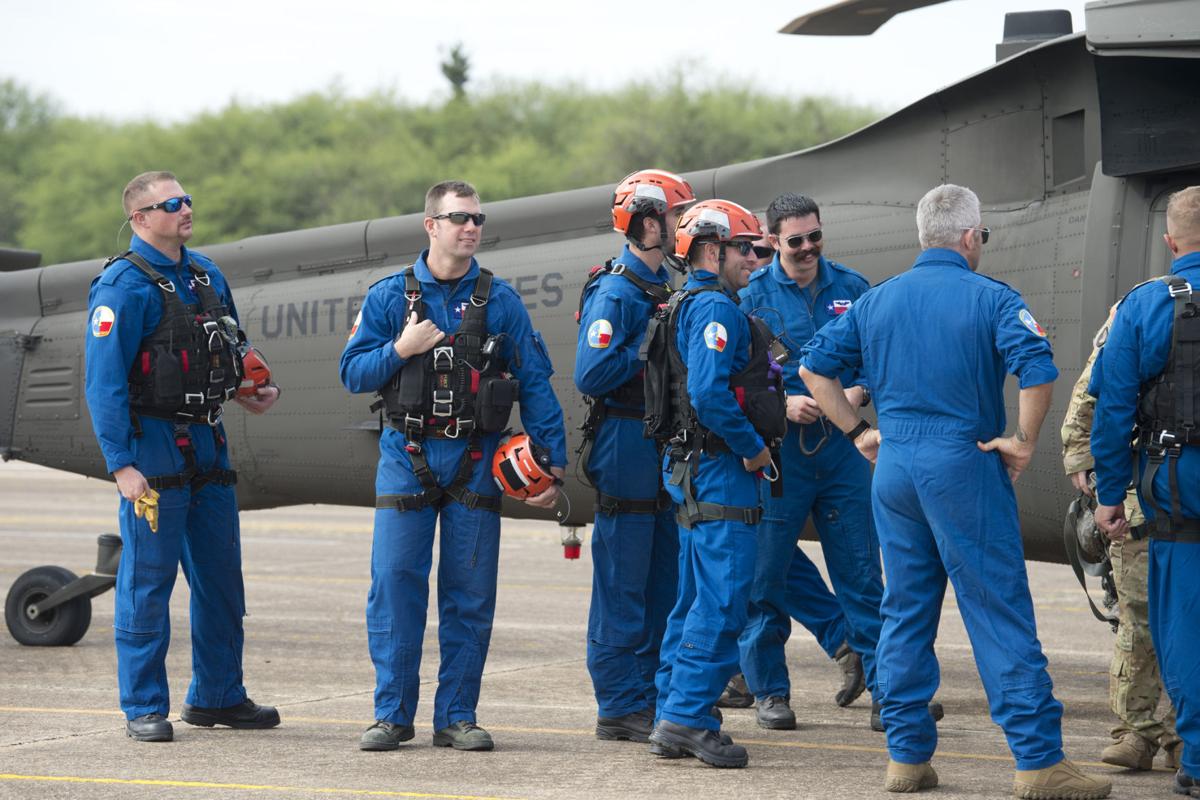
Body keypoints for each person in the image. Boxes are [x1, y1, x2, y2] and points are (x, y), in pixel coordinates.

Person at [799, 184, 1110, 798]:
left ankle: (907, 758)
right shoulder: (991, 297)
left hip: (896, 468)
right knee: (997, 609)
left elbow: (813, 369)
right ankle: (1039, 760)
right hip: (962, 464)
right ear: (971, 238)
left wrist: (860, 432)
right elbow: (1039, 368)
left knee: (905, 610)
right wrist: (1021, 441)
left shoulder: (875, 301)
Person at [340, 180, 568, 753]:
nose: (471, 228)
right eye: (459, 218)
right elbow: (352, 373)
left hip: (475, 460)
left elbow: (536, 385)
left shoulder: (502, 302)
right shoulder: (391, 297)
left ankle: (458, 716)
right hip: (406, 457)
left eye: (477, 219)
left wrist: (552, 466)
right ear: (431, 226)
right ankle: (391, 716)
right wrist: (401, 349)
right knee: (394, 588)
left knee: (469, 595)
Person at [84, 170, 281, 743]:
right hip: (151, 448)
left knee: (221, 581)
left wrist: (254, 390)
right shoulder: (122, 286)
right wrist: (121, 463)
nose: (185, 208)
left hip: (208, 442)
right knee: (148, 582)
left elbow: (233, 346)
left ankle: (218, 696)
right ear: (140, 219)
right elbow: (105, 382)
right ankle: (143, 705)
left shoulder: (205, 274)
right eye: (170, 203)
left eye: (187, 198)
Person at [736, 193, 884, 730]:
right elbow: (737, 376)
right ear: (773, 241)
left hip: (843, 451)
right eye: (794, 240)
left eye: (814, 236)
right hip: (780, 456)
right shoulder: (750, 296)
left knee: (862, 570)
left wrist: (858, 392)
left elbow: (877, 360)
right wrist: (781, 402)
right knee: (765, 577)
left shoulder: (852, 288)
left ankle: (886, 686)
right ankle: (769, 691)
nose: (807, 248)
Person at [645, 199, 780, 768]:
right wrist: (753, 450)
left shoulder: (685, 304)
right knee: (723, 602)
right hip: (722, 471)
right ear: (711, 248)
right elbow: (708, 395)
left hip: (692, 470)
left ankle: (673, 707)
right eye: (746, 248)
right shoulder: (717, 311)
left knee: (692, 598)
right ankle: (688, 719)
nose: (756, 258)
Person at [573, 169, 693, 743]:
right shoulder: (617, 292)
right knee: (623, 582)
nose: (684, 227)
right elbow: (591, 371)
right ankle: (619, 703)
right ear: (650, 224)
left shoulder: (663, 288)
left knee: (661, 581)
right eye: (677, 217)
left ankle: (649, 695)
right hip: (624, 445)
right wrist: (650, 351)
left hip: (657, 445)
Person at [1092, 185, 1200, 798]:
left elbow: (1111, 408)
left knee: (1180, 620)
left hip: (1179, 483)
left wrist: (1111, 494)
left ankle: (1199, 757)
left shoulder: (1144, 305)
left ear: (1169, 241)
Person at [1060, 307, 1181, 770]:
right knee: (1139, 616)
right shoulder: (1145, 311)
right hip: (1146, 496)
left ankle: (1183, 736)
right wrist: (1084, 462)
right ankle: (1137, 731)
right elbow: (1093, 392)